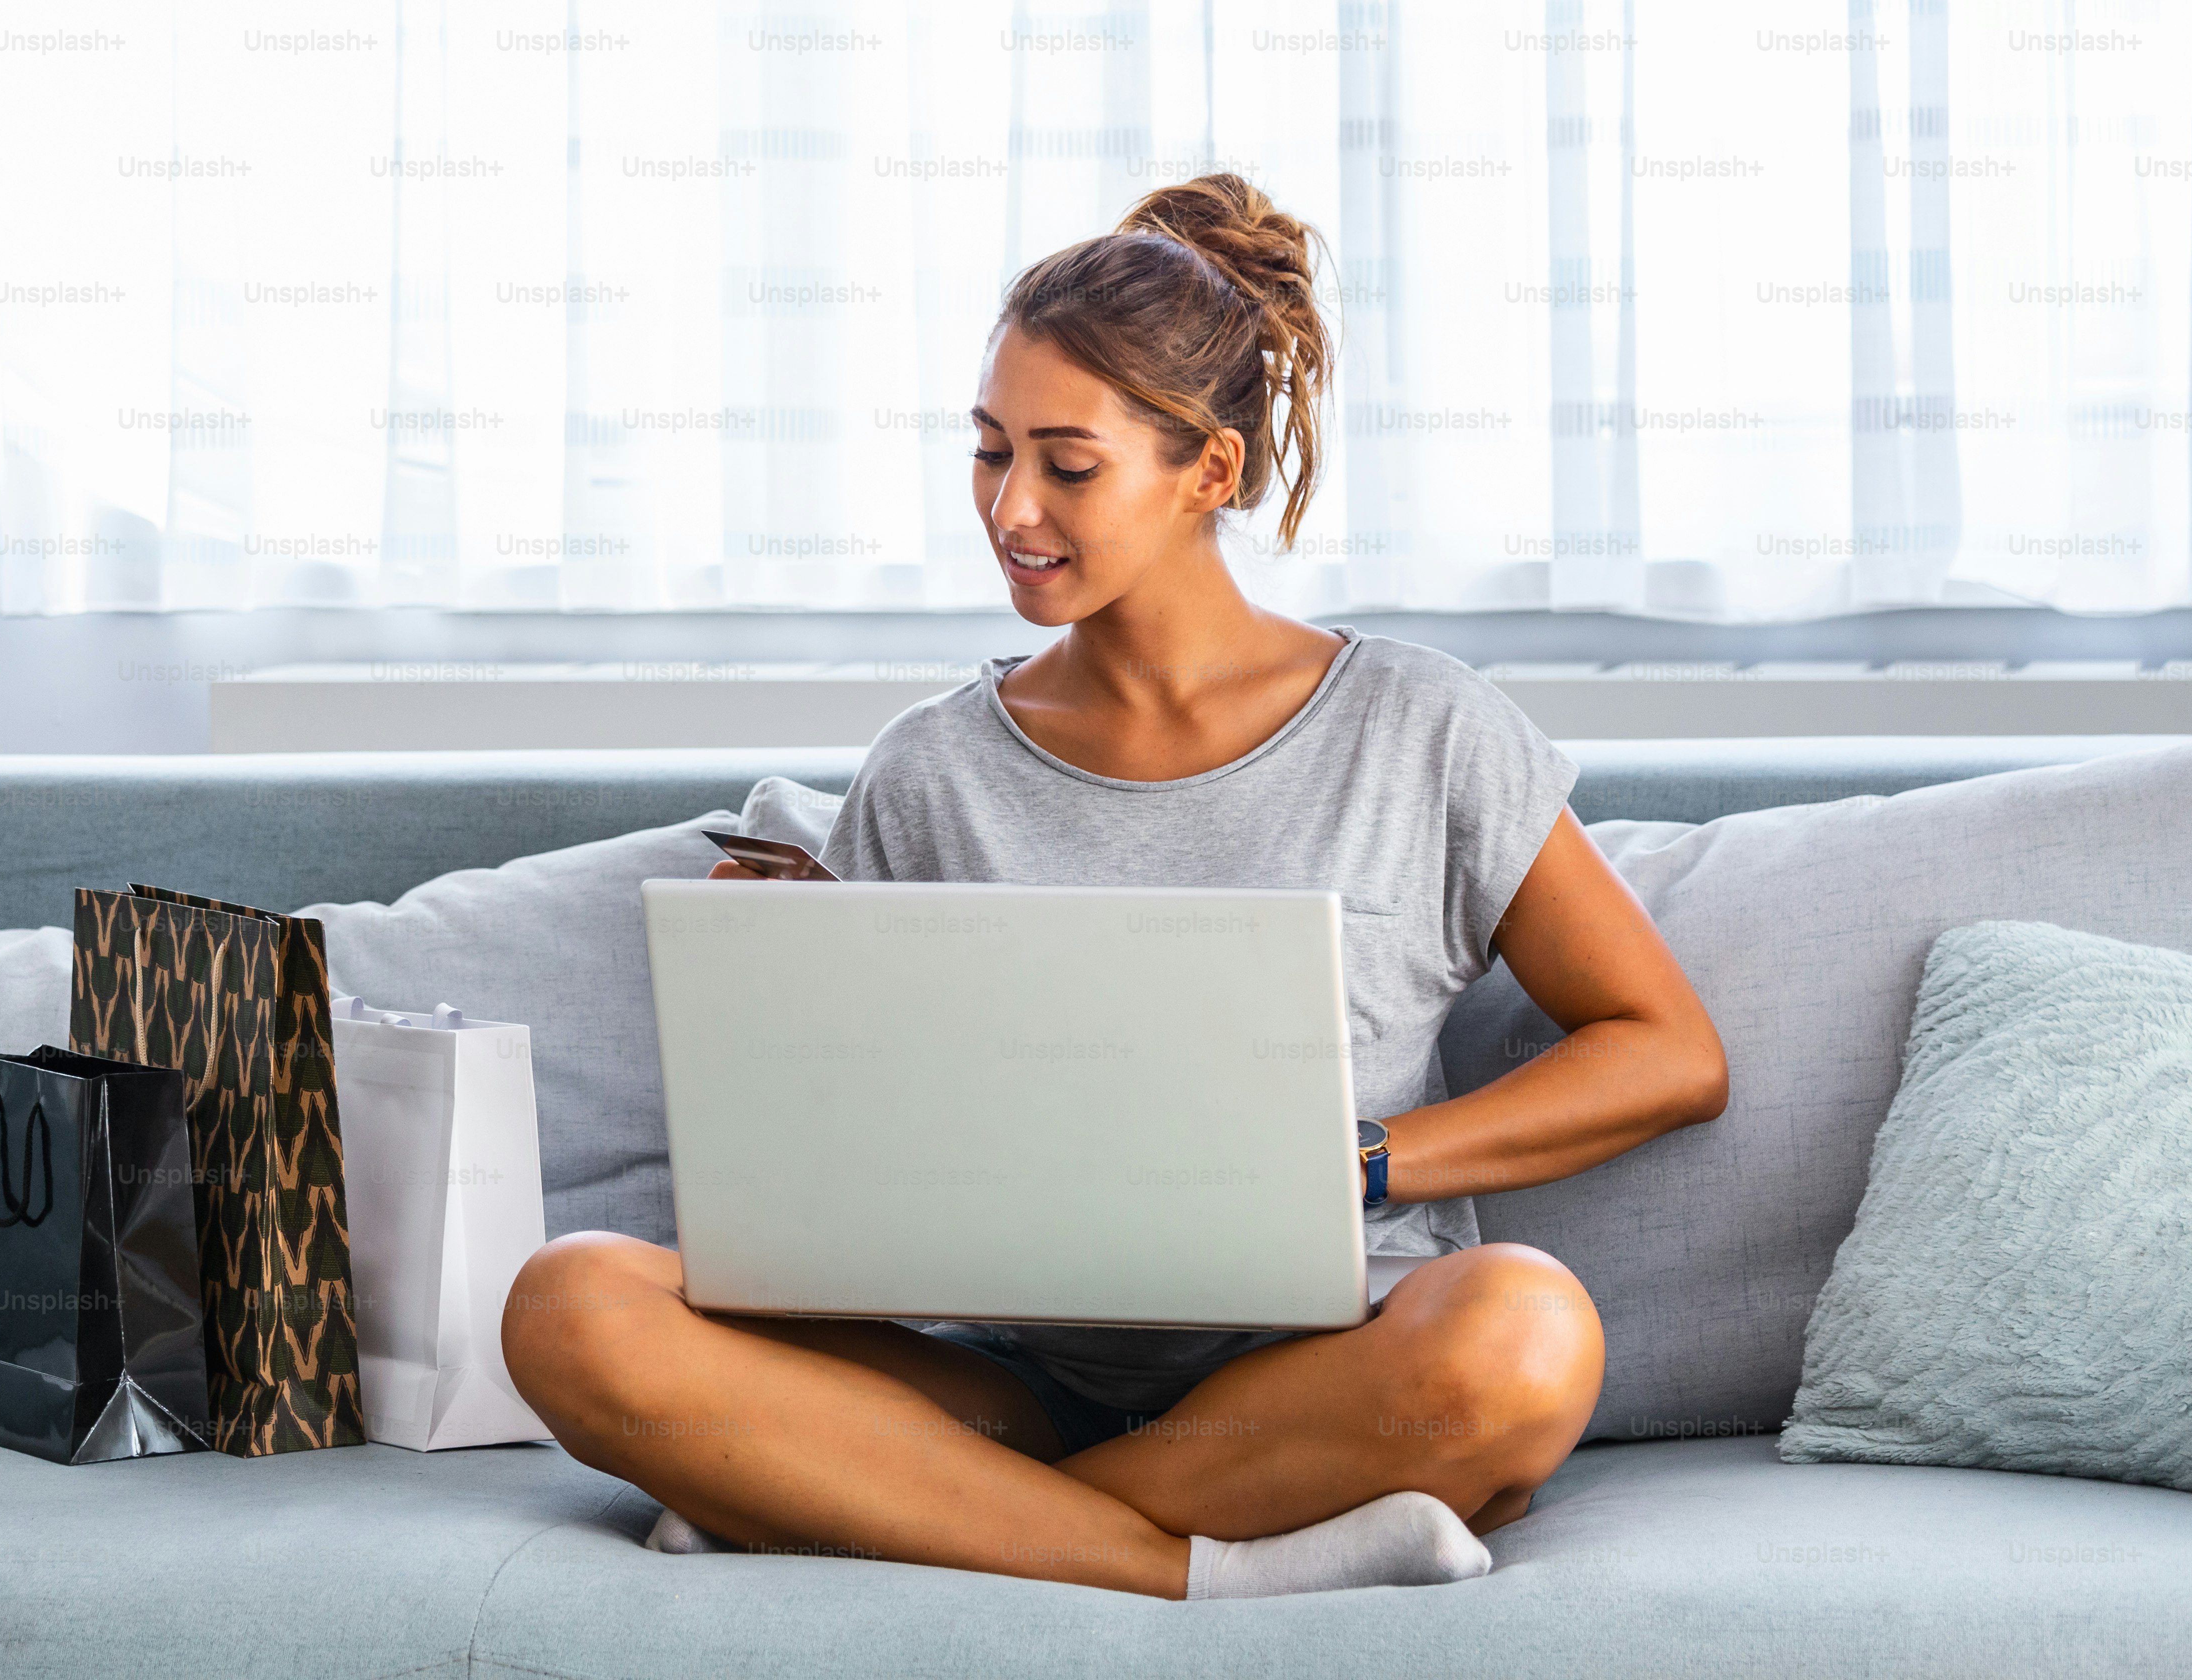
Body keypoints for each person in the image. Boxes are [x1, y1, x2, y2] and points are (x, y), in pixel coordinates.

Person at [502, 174, 1727, 1601]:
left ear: (1209, 470)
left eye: (1068, 466)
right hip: (1011, 1377)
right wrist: (783, 1004)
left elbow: (1667, 1053)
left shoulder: (1422, 727)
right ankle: (1207, 1566)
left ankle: (860, 1508)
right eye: (988, 452)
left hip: (1334, 1369)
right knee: (574, 1300)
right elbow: (858, 1181)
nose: (1010, 507)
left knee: (1525, 1335)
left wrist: (1359, 1161)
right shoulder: (933, 767)